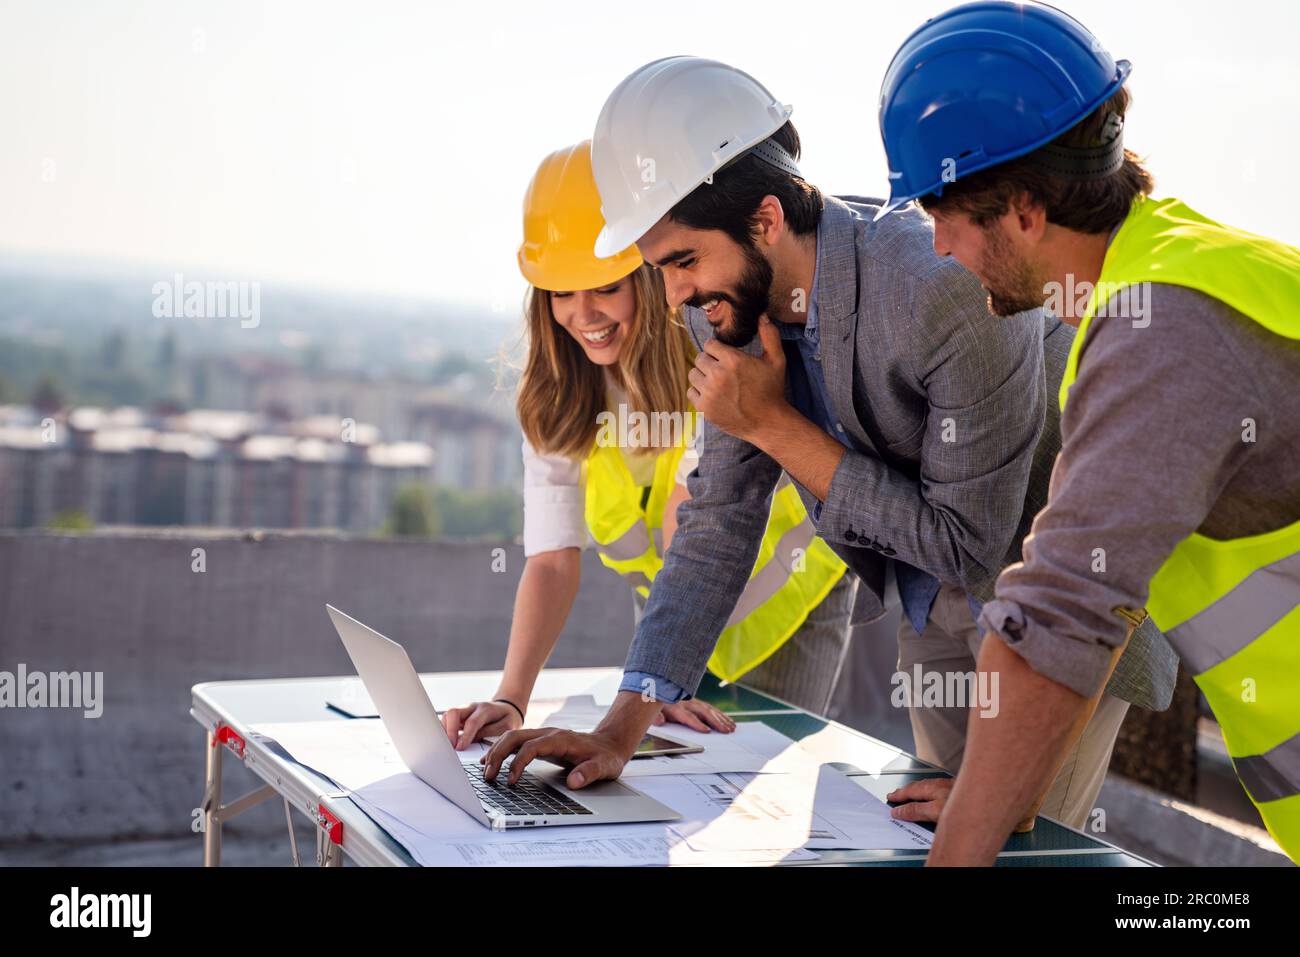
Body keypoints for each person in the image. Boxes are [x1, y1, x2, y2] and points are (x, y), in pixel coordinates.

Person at [482, 59, 1176, 830]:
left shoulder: (940, 289)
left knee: (1018, 840)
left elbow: (966, 546)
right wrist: (621, 726)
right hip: (936, 611)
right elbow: (718, 518)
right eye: (659, 266)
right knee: (935, 839)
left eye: (682, 262)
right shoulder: (721, 298)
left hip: (1053, 610)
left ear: (766, 220)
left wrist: (774, 425)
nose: (672, 294)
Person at [874, 0, 1300, 863]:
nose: (941, 248)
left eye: (942, 215)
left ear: (1025, 208)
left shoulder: (1161, 334)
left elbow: (1061, 615)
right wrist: (1002, 791)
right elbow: (1093, 597)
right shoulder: (1170, 269)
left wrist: (959, 850)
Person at [441, 141, 852, 750]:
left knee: (757, 792)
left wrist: (657, 688)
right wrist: (511, 698)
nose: (583, 314)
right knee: (663, 791)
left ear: (649, 272)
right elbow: (553, 560)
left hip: (780, 604)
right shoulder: (561, 391)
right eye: (561, 292)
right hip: (674, 604)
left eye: (604, 287)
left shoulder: (715, 361)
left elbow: (691, 527)